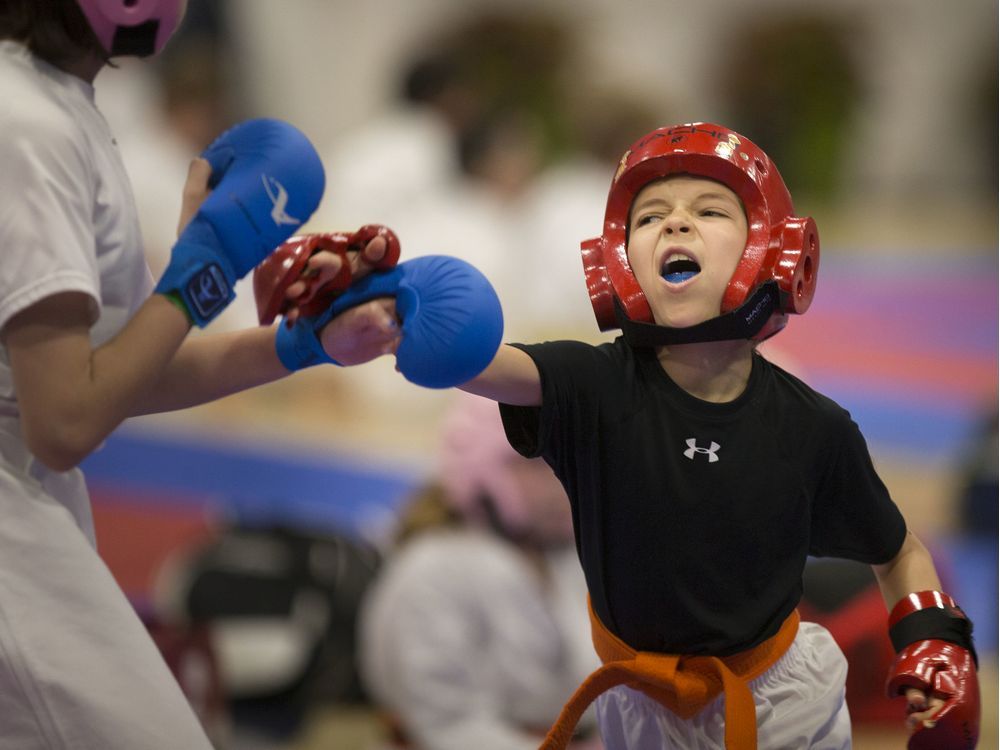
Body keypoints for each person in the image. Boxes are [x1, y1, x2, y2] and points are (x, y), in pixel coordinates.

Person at [277, 122, 981, 749]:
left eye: (708, 211)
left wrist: (935, 644)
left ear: (772, 251)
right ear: (619, 260)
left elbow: (899, 553)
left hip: (780, 706)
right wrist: (384, 307)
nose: (676, 225)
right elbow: (481, 362)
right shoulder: (592, 386)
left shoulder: (811, 427)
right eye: (651, 217)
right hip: (636, 705)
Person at [0, 2, 401, 748]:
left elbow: (114, 375)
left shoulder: (61, 106)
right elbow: (63, 423)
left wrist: (302, 344)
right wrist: (206, 266)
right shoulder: (27, 122)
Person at [357, 392, 602, 750]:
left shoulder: (570, 562)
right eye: (537, 465)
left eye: (569, 463)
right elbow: (443, 725)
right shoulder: (435, 569)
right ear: (483, 468)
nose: (560, 482)